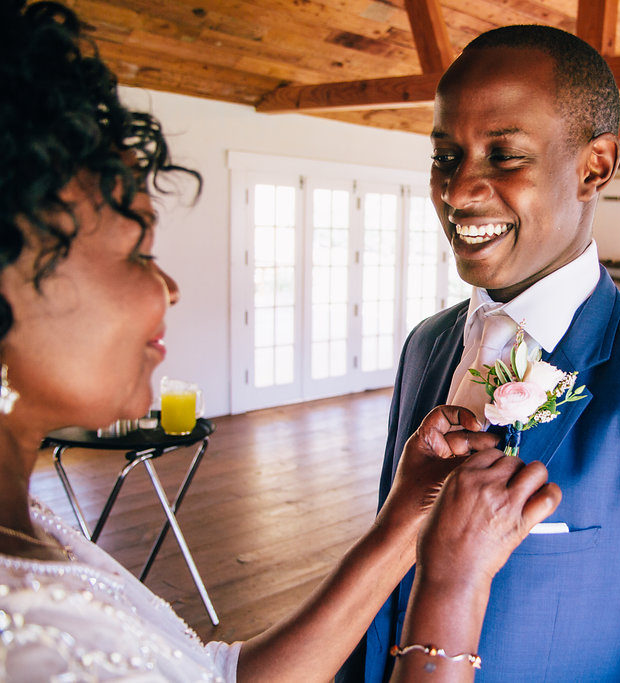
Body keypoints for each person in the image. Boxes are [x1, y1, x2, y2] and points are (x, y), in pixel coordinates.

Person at [0, 2, 560, 681]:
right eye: (136, 252)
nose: (168, 288)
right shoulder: (24, 643)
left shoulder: (26, 525)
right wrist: (451, 585)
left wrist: (400, 525)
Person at [344, 25, 620, 682]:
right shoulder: (426, 347)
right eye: (446, 157)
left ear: (594, 167)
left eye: (503, 156)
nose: (459, 190)